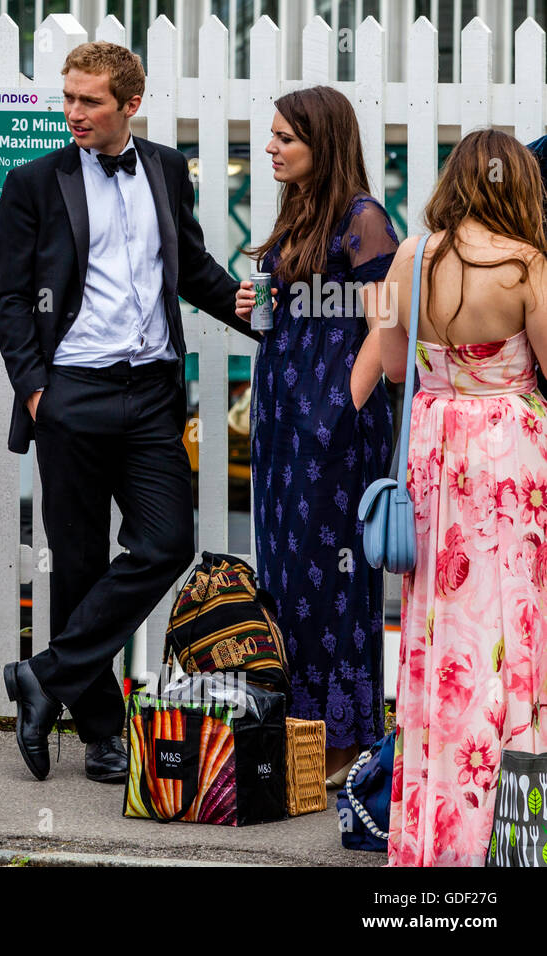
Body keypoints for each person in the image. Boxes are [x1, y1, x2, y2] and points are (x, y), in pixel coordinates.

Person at [0, 41, 260, 783]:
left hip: (150, 392)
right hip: (70, 392)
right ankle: (102, 730)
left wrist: (253, 312)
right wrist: (38, 389)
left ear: (129, 104)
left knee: (166, 542)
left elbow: (191, 269)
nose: (74, 112)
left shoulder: (168, 170)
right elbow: (9, 299)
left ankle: (44, 676)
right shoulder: (32, 184)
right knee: (77, 562)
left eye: (90, 101)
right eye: (68, 98)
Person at [379, 129, 547, 867]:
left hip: (435, 456)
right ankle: (513, 838)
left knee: (438, 636)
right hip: (507, 460)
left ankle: (435, 835)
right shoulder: (524, 264)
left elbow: (392, 367)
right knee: (513, 642)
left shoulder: (411, 257)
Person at [234, 86, 398, 785]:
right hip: (281, 415)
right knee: (286, 572)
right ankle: (301, 730)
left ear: (321, 143)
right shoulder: (295, 211)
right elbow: (294, 316)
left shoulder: (364, 219)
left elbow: (386, 325)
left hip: (335, 422)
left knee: (333, 579)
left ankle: (344, 736)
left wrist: (340, 410)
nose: (269, 148)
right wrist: (253, 306)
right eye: (270, 136)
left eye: (284, 138)